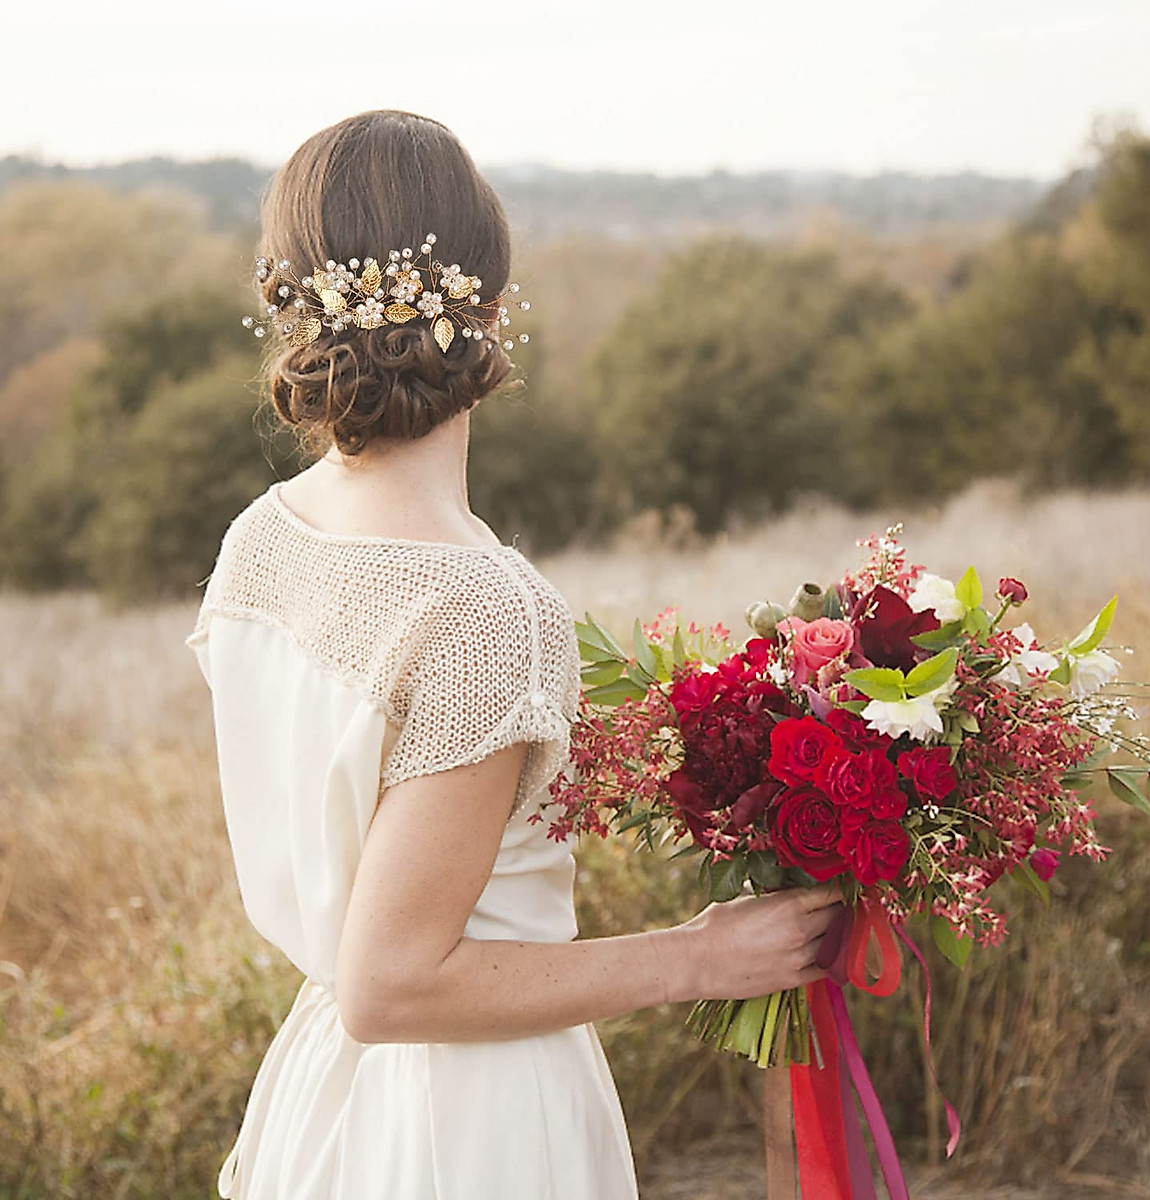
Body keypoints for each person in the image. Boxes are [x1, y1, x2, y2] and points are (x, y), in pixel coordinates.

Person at [184, 108, 842, 1200]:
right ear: (491, 303)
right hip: (467, 1125)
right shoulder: (484, 607)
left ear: (296, 302)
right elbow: (393, 985)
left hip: (328, 1107)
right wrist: (701, 956)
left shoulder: (263, 541)